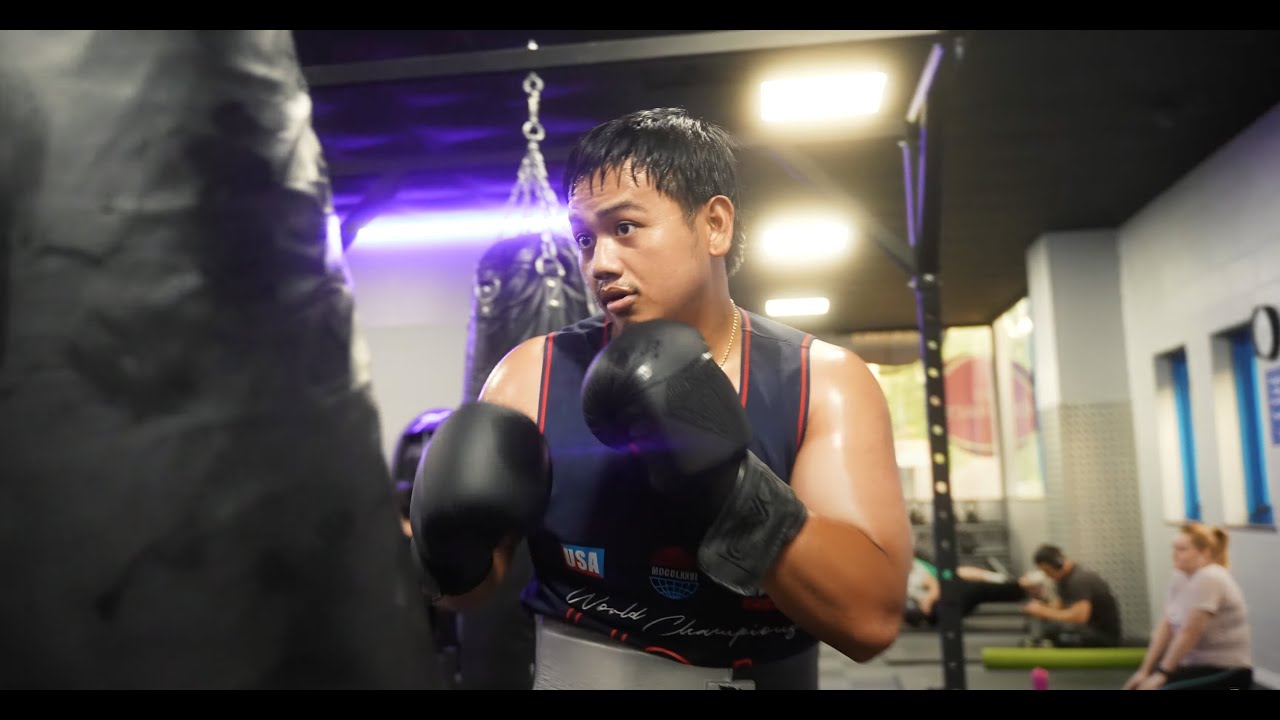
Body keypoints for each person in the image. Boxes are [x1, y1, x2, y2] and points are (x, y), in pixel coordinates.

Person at [409, 107, 913, 690]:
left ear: (715, 225)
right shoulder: (531, 375)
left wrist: (727, 485)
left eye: (624, 227)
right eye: (583, 238)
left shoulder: (821, 381)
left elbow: (868, 621)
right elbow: (466, 596)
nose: (599, 263)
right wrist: (445, 547)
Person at [1123, 523, 1252, 691]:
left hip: (1225, 670)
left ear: (1204, 552)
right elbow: (1167, 626)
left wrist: (1162, 674)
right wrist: (1144, 671)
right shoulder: (1180, 576)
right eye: (1174, 548)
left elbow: (1190, 633)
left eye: (1182, 549)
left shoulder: (1211, 577)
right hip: (1192, 666)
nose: (1174, 555)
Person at [1021, 544, 1122, 647]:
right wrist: (1041, 607)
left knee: (1057, 631)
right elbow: (1060, 608)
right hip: (1088, 633)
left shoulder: (1078, 580)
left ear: (1058, 564)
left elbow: (1079, 617)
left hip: (1102, 637)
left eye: (1048, 571)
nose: (1047, 575)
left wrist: (1042, 611)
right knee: (1050, 629)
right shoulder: (1064, 581)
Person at [904, 554, 1030, 628]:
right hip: (936, 611)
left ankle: (1018, 587)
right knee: (970, 585)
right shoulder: (900, 575)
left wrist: (928, 599)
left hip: (941, 602)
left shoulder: (917, 570)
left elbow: (934, 585)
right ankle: (1019, 587)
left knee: (967, 581)